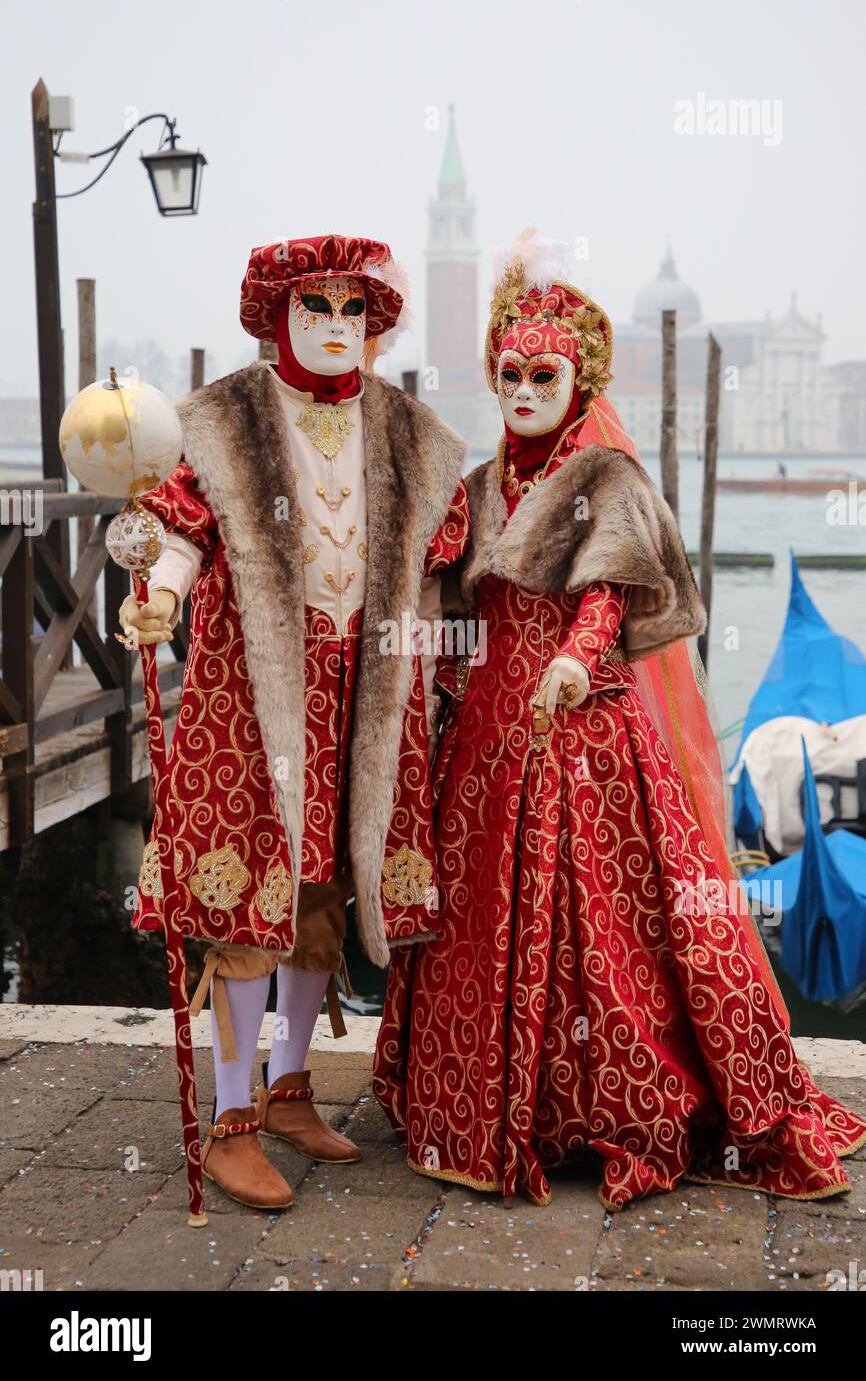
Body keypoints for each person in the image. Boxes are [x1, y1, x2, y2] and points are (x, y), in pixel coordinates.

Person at [374, 233, 866, 1211]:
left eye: (540, 374)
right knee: (479, 930)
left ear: (577, 379)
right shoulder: (474, 493)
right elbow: (438, 594)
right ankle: (484, 1103)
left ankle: (610, 1108)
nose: (520, 390)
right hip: (485, 752)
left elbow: (606, 593)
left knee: (611, 940)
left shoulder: (605, 484)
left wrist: (571, 659)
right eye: (506, 374)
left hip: (587, 748)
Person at [120, 234, 468, 1210]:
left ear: (373, 321)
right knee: (249, 903)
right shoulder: (225, 419)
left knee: (322, 895)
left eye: (350, 310)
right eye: (313, 309)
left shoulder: (406, 429)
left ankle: (287, 1084)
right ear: (276, 315)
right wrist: (159, 596)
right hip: (256, 690)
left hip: (364, 691)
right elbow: (184, 521)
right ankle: (228, 1120)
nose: (332, 327)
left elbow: (447, 547)